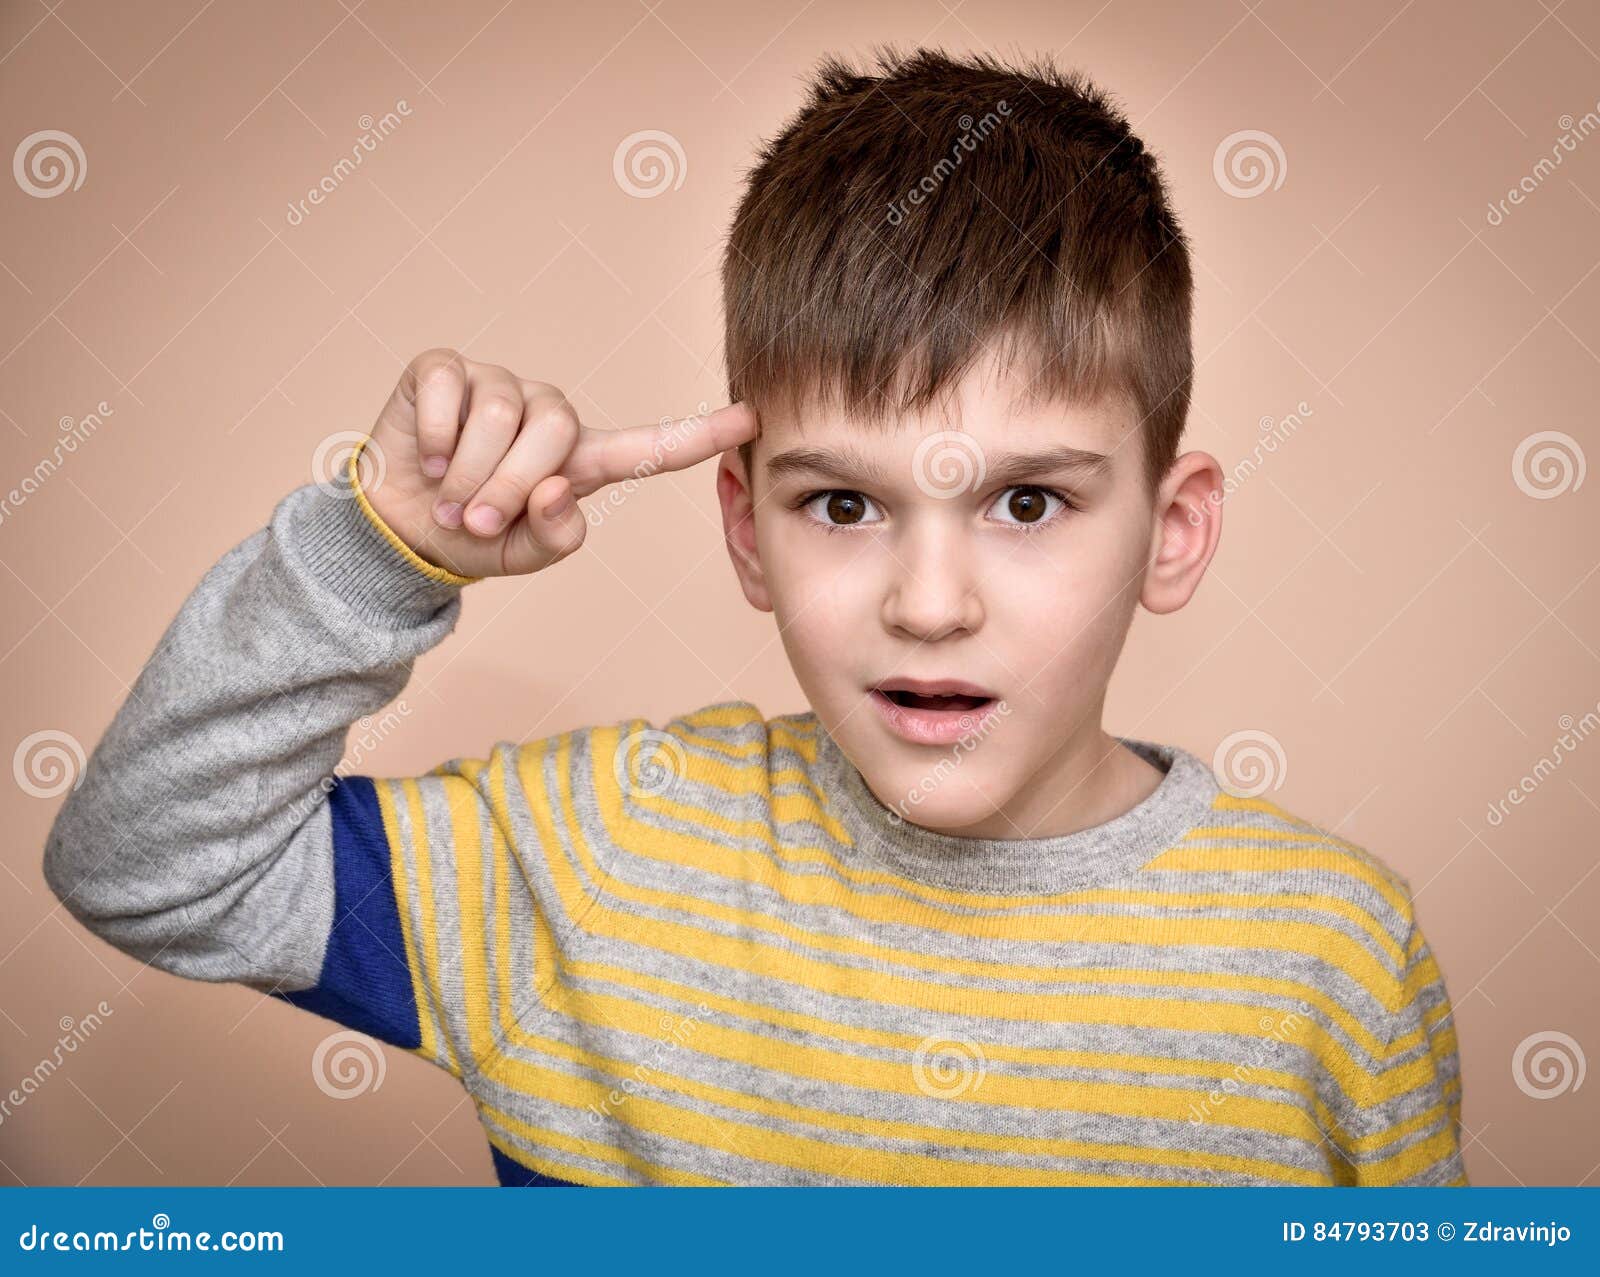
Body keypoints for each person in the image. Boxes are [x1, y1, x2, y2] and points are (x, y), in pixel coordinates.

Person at [41, 46, 1465, 1187]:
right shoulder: (596, 856)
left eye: (1028, 503)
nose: (929, 603)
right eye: (843, 505)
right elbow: (148, 864)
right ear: (747, 530)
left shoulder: (1330, 959)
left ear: (1173, 528)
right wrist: (376, 553)